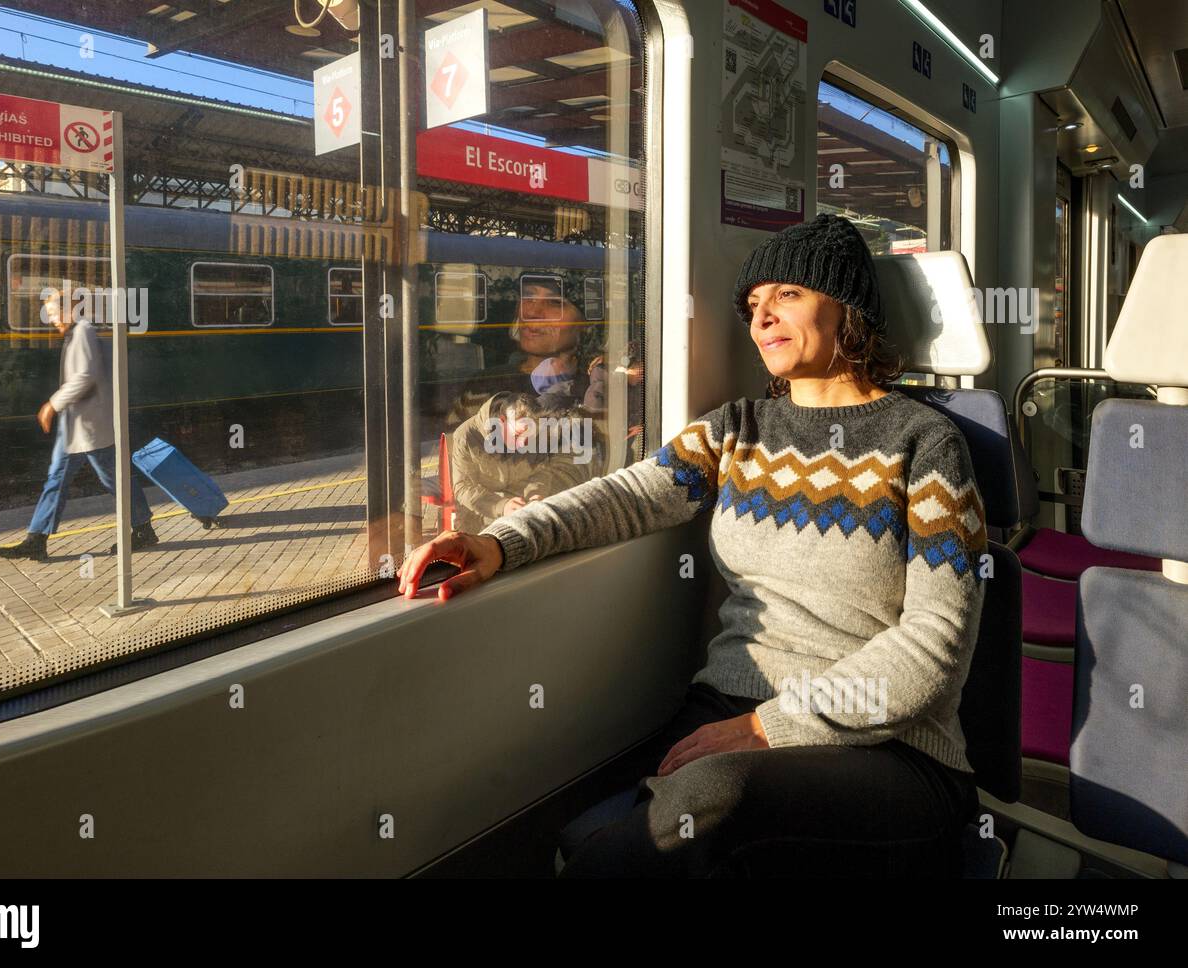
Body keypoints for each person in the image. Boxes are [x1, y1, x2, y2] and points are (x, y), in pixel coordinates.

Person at [396, 214, 988, 877]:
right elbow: (625, 496)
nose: (763, 317)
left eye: (786, 295)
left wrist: (769, 728)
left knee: (702, 803)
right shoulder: (737, 430)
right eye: (753, 306)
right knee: (575, 820)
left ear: (845, 304)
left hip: (892, 751)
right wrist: (499, 543)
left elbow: (935, 643)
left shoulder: (926, 444)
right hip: (727, 711)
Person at [0, 288, 157, 563]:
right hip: (74, 427)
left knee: (114, 480)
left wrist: (52, 405)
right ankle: (37, 540)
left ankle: (143, 529)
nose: (52, 320)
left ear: (70, 309)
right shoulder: (75, 332)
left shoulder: (83, 331)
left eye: (55, 314)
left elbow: (85, 376)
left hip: (90, 426)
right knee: (56, 481)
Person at [449, 391, 596, 533]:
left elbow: (541, 469)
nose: (522, 444)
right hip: (479, 513)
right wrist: (501, 506)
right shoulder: (466, 436)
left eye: (528, 437)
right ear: (501, 421)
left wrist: (536, 494)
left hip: (521, 508)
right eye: (518, 435)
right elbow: (462, 487)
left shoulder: (536, 429)